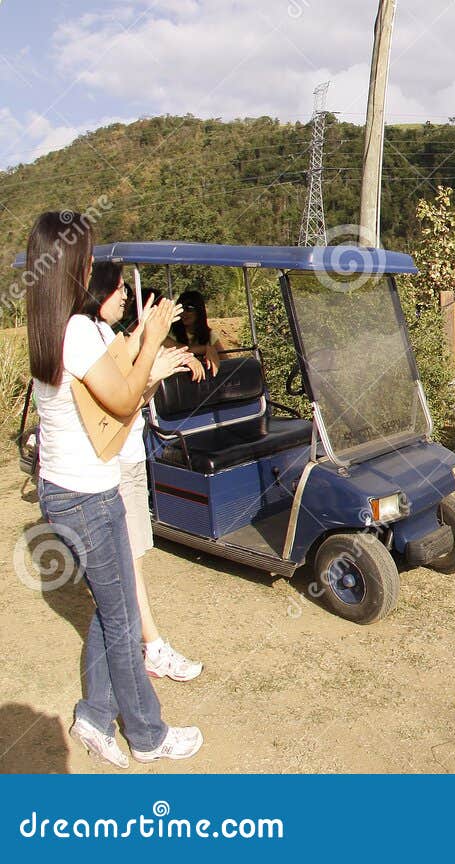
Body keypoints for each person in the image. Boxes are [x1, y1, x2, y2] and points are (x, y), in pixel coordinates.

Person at [25, 212, 204, 767]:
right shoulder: (76, 330)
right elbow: (124, 401)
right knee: (123, 621)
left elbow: (110, 376)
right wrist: (152, 339)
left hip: (67, 490)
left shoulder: (50, 326)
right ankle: (149, 734)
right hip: (87, 497)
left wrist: (139, 342)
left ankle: (94, 718)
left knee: (112, 610)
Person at [85, 264, 206, 681]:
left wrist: (157, 372)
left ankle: (141, 647)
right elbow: (117, 407)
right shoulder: (90, 340)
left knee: (131, 558)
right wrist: (151, 360)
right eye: (118, 289)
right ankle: (151, 645)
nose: (123, 296)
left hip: (132, 455)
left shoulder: (109, 337)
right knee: (127, 563)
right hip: (114, 462)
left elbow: (136, 401)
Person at [166, 290, 222, 374]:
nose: (184, 313)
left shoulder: (209, 335)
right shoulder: (169, 333)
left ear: (199, 310)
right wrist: (204, 349)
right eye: (181, 309)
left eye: (189, 308)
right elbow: (179, 349)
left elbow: (227, 362)